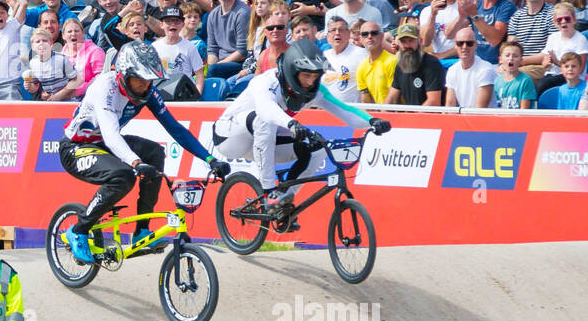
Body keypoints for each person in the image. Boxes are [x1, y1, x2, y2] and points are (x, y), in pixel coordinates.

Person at [58, 41, 230, 263]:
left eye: (149, 80)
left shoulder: (149, 92)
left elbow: (175, 128)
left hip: (104, 144)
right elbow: (111, 136)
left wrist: (210, 158)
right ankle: (78, 230)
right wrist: (135, 162)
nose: (144, 86)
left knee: (156, 153)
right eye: (139, 79)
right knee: (124, 175)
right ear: (124, 75)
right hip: (76, 147)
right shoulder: (105, 87)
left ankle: (142, 230)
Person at [211, 39, 390, 228]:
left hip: (261, 139)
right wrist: (291, 123)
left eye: (315, 76)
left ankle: (283, 201)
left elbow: (343, 110)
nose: (311, 81)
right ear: (291, 71)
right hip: (228, 135)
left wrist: (372, 121)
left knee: (316, 149)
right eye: (306, 76)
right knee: (264, 121)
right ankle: (269, 192)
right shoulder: (266, 81)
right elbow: (266, 109)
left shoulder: (316, 90)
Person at [386, 22, 444, 106]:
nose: (407, 45)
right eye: (403, 42)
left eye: (411, 40)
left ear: (419, 41)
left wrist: (412, 118)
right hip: (411, 115)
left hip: (430, 116)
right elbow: (392, 96)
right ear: (398, 43)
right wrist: (383, 112)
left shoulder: (431, 64)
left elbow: (433, 101)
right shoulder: (400, 64)